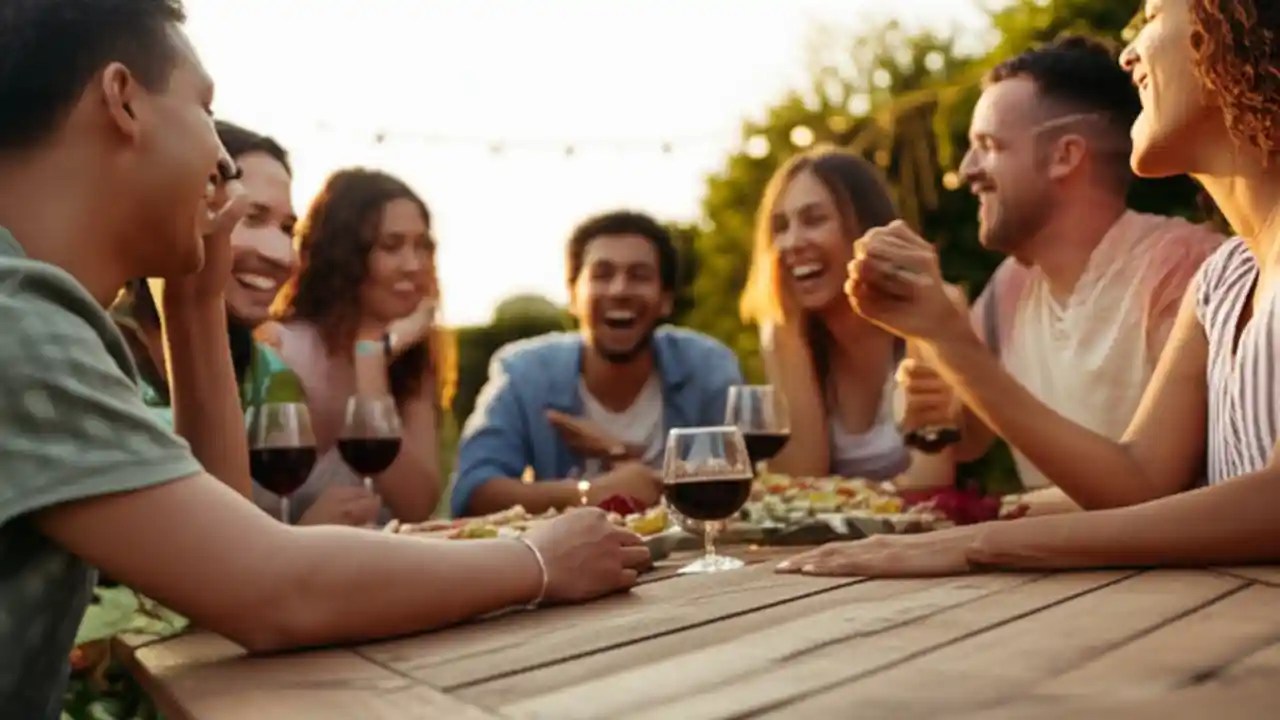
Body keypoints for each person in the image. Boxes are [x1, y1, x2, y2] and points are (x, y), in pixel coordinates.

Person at [0, 3, 645, 717]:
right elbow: (268, 589)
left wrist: (191, 307)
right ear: (122, 99)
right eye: (205, 107)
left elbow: (210, 576)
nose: (221, 162)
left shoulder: (36, 315)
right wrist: (539, 561)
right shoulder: (17, 325)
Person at [780, 0, 1280, 578]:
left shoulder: (1183, 264)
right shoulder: (1222, 281)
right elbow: (1136, 481)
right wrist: (939, 338)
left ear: (1235, 32)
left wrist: (982, 543)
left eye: (1154, 14)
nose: (1128, 53)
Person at [896, 35, 1223, 514]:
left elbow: (1170, 490)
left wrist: (995, 515)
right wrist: (931, 405)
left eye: (988, 146)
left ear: (1065, 156)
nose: (967, 170)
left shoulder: (1182, 271)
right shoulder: (1010, 288)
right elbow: (966, 439)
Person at [451, 210, 744, 517]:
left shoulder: (707, 367)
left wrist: (616, 452)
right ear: (573, 296)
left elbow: (742, 482)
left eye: (639, 275)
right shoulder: (524, 373)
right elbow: (473, 492)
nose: (619, 290)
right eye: (602, 275)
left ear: (666, 299)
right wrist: (593, 493)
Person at [739, 146, 955, 490]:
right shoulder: (784, 332)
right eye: (780, 227)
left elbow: (931, 478)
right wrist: (788, 333)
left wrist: (849, 501)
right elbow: (799, 479)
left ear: (865, 229)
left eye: (814, 220)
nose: (792, 242)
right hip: (835, 541)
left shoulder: (925, 311)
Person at [267, 168, 453, 524]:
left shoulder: (409, 360)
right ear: (344, 256)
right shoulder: (280, 349)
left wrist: (370, 359)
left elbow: (416, 503)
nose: (414, 266)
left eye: (422, 246)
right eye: (391, 246)